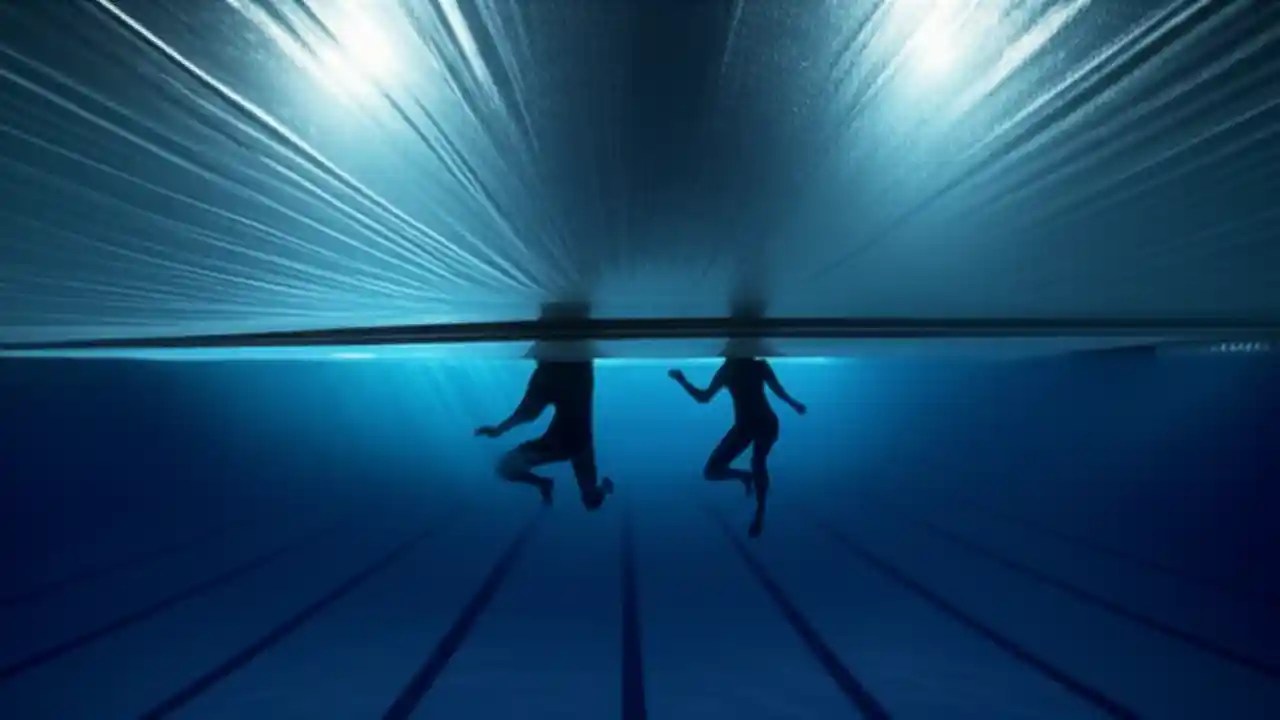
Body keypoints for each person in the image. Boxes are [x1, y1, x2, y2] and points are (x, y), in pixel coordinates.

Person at [669, 357, 805, 537]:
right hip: (748, 426)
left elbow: (704, 397)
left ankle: (759, 512)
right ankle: (747, 478)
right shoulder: (741, 368)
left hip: (762, 424)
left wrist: (682, 380)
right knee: (713, 471)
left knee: (757, 462)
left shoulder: (739, 368)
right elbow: (704, 397)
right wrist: (682, 380)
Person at [477, 360, 613, 509]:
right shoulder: (550, 373)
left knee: (504, 467)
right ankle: (543, 483)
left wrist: (499, 429)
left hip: (566, 443)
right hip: (575, 443)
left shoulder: (545, 374)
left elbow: (528, 413)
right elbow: (528, 413)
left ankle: (543, 483)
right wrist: (499, 429)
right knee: (590, 500)